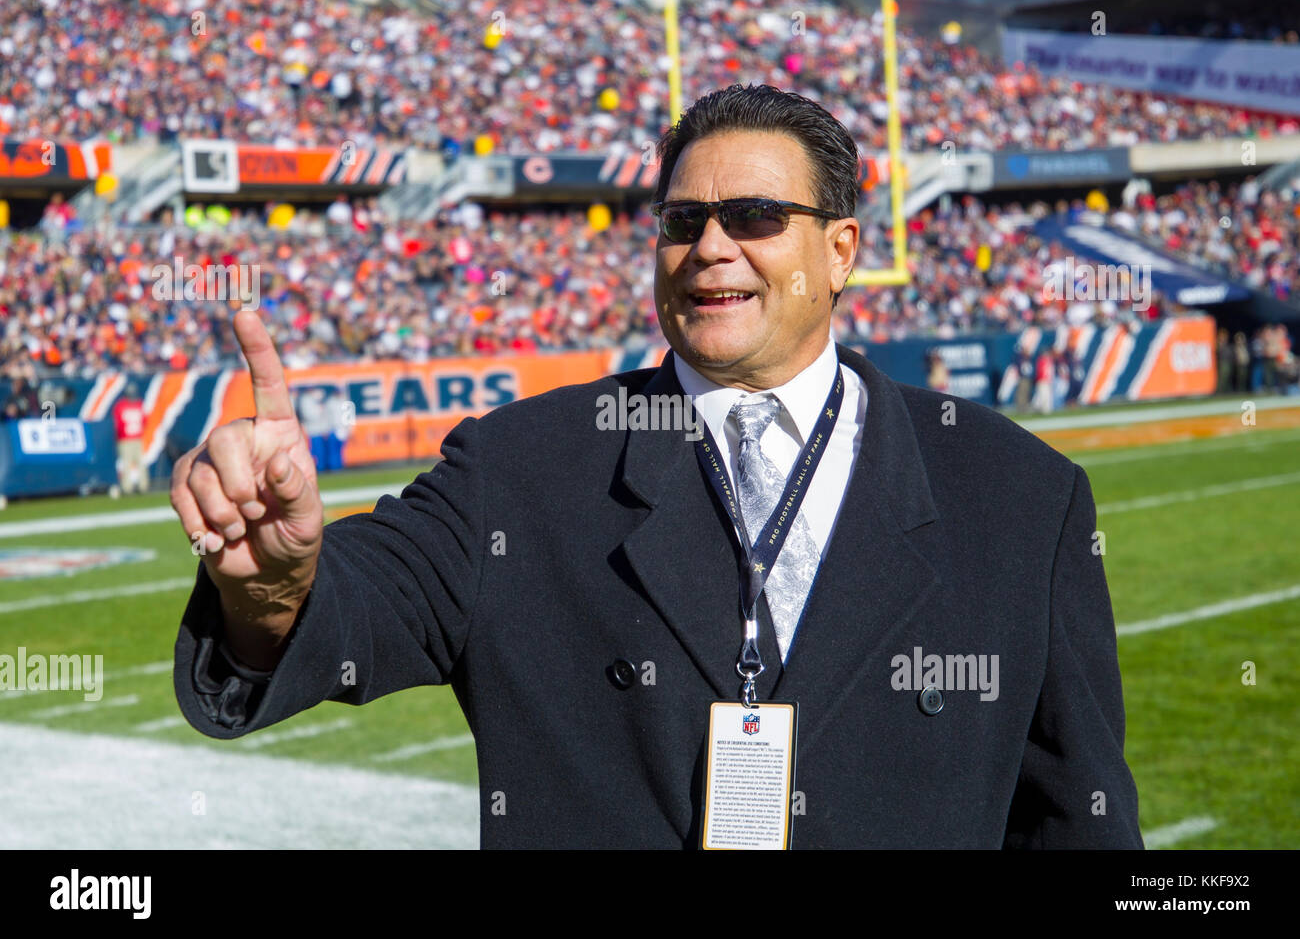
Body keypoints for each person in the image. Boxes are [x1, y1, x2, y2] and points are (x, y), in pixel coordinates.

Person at [169, 85, 1141, 849]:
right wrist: (276, 581)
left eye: (755, 216)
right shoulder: (518, 467)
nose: (709, 246)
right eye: (682, 222)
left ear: (841, 250)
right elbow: (357, 610)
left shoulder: (1017, 492)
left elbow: (1078, 817)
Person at [112, 382, 148, 495]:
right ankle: (143, 486)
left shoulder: (121, 406)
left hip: (125, 439)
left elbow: (117, 424)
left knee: (127, 464)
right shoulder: (139, 404)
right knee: (140, 463)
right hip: (137, 437)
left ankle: (127, 488)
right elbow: (144, 421)